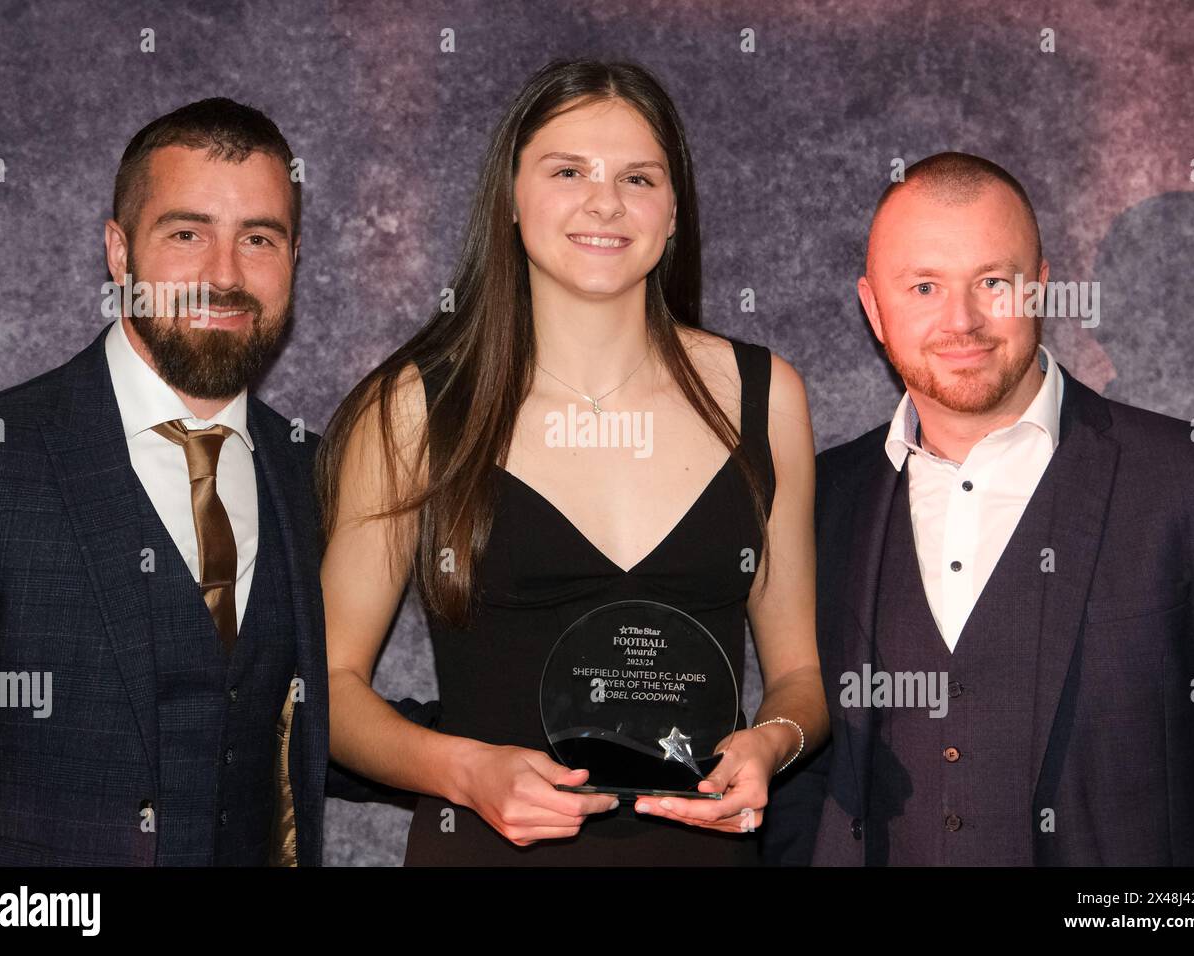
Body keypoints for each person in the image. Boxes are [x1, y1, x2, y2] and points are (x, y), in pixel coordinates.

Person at [319, 59, 827, 865]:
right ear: (512, 201)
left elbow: (800, 675)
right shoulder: (414, 410)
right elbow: (331, 689)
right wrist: (464, 769)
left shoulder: (764, 398)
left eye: (638, 177)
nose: (605, 201)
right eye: (567, 171)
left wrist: (771, 743)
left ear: (672, 214)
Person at [762, 151, 1194, 866]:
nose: (961, 320)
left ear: (1042, 290)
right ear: (873, 307)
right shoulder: (821, 499)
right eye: (924, 285)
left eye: (993, 281)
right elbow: (806, 772)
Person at [0, 97, 329, 865]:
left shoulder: (315, 473)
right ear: (120, 254)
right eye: (187, 233)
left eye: (259, 238)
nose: (223, 276)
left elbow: (318, 716)